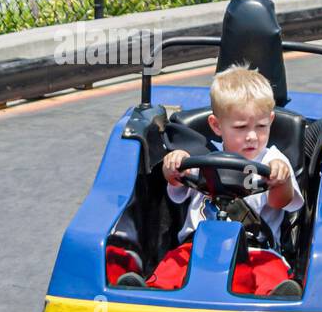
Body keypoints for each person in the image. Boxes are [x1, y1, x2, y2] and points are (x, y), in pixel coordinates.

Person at [112, 67, 305, 297]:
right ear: (216, 126)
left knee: (271, 272)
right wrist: (172, 164)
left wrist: (280, 180)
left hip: (255, 249)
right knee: (172, 267)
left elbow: (279, 202)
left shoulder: (273, 160)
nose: (252, 136)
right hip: (195, 249)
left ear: (271, 120)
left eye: (261, 126)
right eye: (241, 128)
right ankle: (145, 293)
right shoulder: (200, 156)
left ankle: (278, 298)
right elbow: (174, 183)